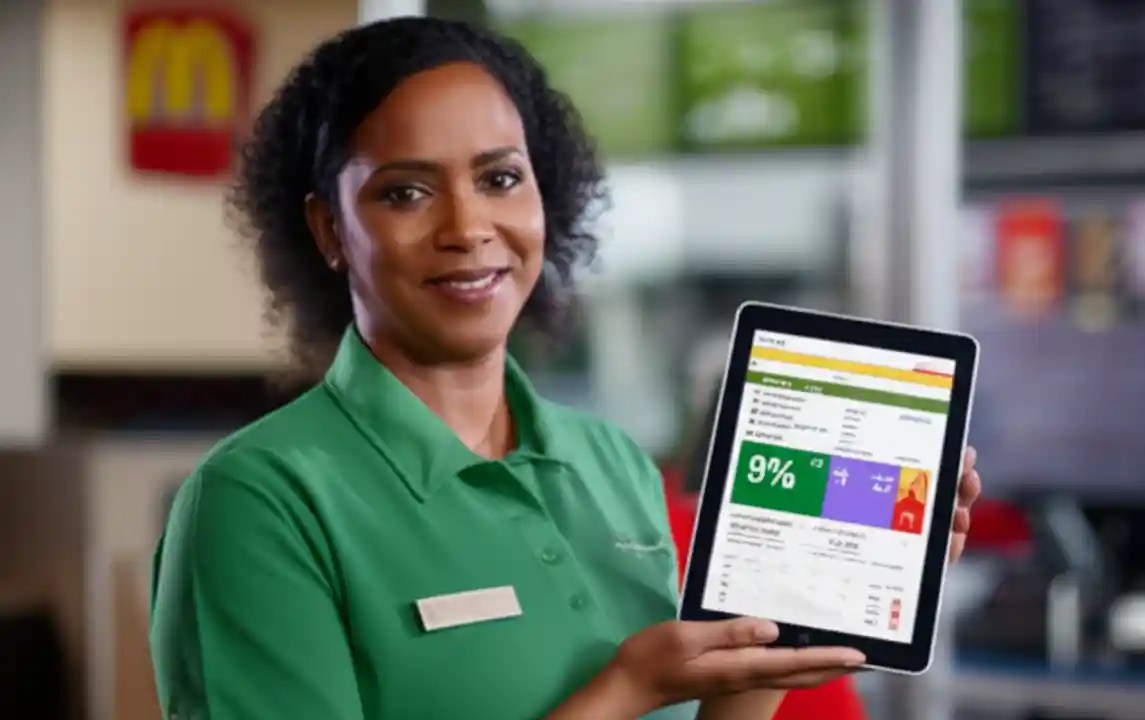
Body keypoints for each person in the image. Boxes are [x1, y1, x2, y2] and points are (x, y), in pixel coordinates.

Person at [149, 17, 983, 720]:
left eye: (500, 178)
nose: (469, 226)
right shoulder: (257, 501)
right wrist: (623, 690)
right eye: (406, 193)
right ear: (330, 230)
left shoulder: (609, 460)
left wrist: (768, 659)